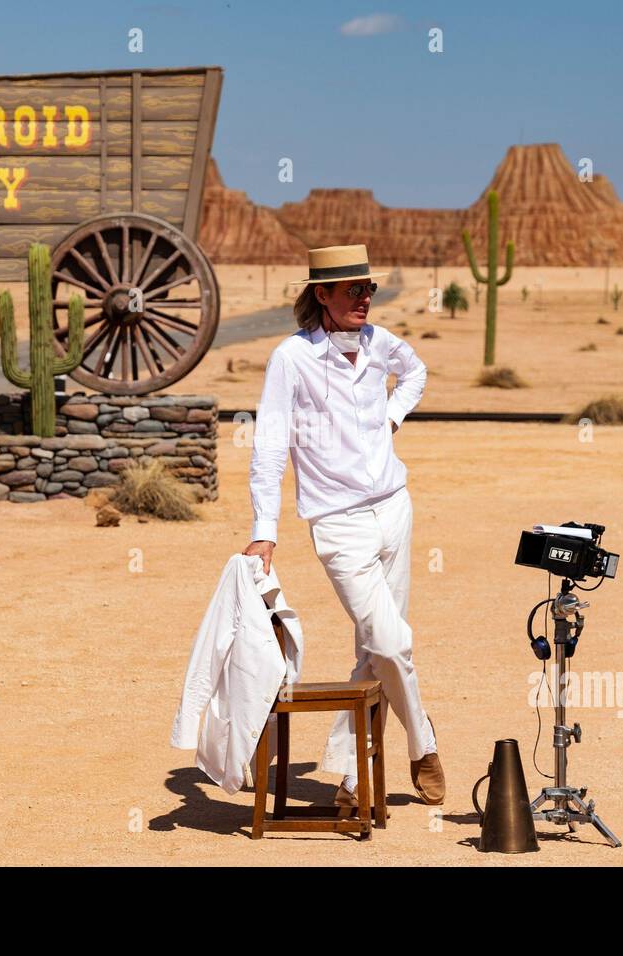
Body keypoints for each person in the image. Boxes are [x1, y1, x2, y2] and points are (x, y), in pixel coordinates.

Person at [242, 244, 444, 807]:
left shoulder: (381, 344)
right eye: (352, 290)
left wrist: (393, 414)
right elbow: (269, 443)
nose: (365, 298)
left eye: (369, 288)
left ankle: (354, 781)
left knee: (374, 648)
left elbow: (417, 371)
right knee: (391, 640)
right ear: (321, 295)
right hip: (337, 522)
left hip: (394, 509)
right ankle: (422, 742)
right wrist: (265, 527)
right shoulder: (292, 358)